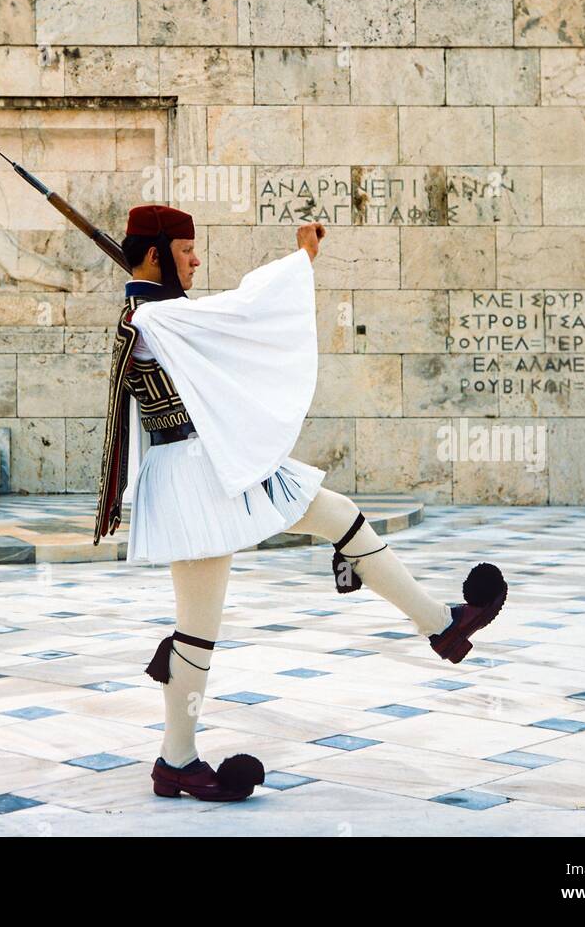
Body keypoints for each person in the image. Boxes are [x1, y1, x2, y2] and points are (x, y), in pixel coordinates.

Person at [93, 204, 507, 803]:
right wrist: (301, 258)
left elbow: (215, 321)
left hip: (205, 470)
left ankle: (442, 624)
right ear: (156, 254)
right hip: (201, 478)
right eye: (186, 252)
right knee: (199, 629)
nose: (197, 260)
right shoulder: (164, 320)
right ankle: (176, 760)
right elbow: (243, 311)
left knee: (335, 517)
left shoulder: (155, 315)